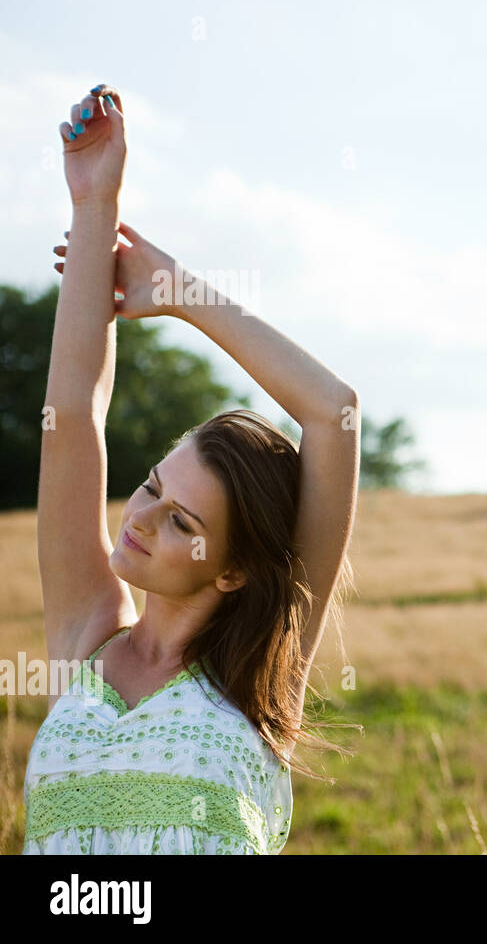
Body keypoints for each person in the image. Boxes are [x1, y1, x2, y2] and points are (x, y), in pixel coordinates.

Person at [24, 84, 361, 854]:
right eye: (150, 486)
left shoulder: (259, 681)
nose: (140, 517)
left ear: (234, 569)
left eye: (182, 521)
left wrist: (176, 292)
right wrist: (94, 201)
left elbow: (333, 412)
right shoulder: (86, 641)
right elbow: (71, 417)